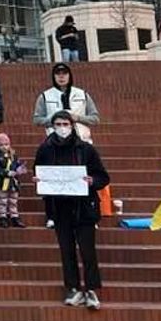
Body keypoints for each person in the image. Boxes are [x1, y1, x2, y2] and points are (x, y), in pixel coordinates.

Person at [35, 109, 110, 310]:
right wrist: (40, 181)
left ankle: (91, 289)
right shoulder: (45, 149)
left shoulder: (85, 149)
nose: (62, 128)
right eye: (58, 124)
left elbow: (103, 177)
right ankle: (73, 288)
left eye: (65, 124)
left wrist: (92, 181)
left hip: (84, 208)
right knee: (66, 251)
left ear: (72, 125)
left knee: (87, 251)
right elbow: (39, 171)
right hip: (60, 208)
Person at [32, 62, 101, 228]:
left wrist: (77, 117)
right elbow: (36, 119)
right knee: (53, 180)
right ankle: (52, 216)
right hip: (55, 144)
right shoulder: (45, 96)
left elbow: (95, 118)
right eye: (58, 74)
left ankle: (88, 214)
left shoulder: (82, 94)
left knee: (83, 179)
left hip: (80, 143)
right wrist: (55, 120)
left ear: (69, 75)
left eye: (64, 73)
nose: (61, 76)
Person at [0, 132, 27, 228]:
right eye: (1, 145)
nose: (4, 147)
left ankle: (14, 216)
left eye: (6, 144)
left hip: (13, 182)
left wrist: (19, 169)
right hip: (2, 182)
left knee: (13, 200)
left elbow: (17, 164)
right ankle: (2, 217)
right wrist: (6, 172)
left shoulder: (13, 155)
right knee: (2, 200)